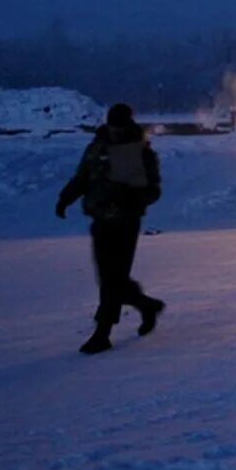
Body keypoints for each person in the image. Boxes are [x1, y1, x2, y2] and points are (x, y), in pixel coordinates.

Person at [56, 103, 166, 354]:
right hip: (100, 221)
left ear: (128, 125)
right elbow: (82, 178)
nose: (116, 132)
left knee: (112, 281)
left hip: (126, 223)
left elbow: (153, 189)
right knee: (109, 277)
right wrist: (65, 198)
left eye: (120, 127)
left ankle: (102, 332)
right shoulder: (95, 148)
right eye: (113, 126)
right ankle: (146, 305)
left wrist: (133, 197)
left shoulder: (141, 153)